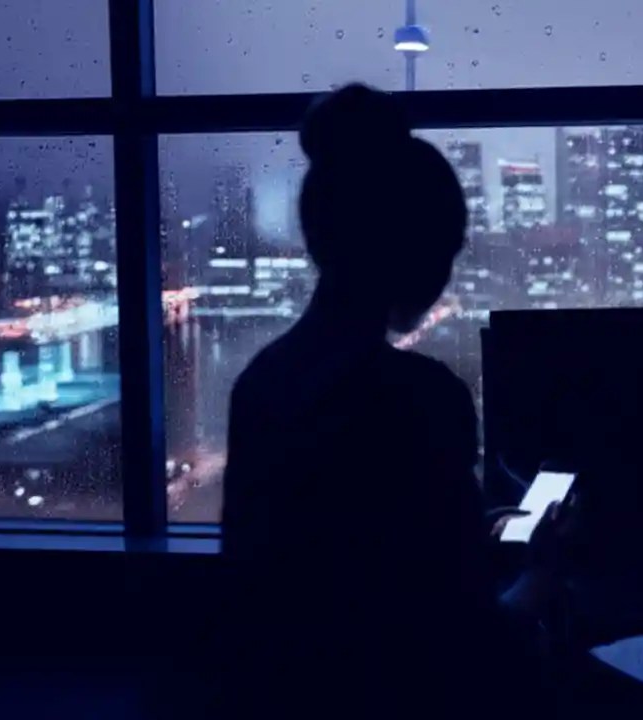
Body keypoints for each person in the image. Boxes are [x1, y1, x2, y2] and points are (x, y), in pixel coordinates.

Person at [218, 84, 564, 718]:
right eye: (450, 249)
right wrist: (544, 574)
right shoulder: (418, 397)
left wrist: (469, 536)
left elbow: (340, 572)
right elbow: (469, 641)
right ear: (420, 253)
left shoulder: (263, 381)